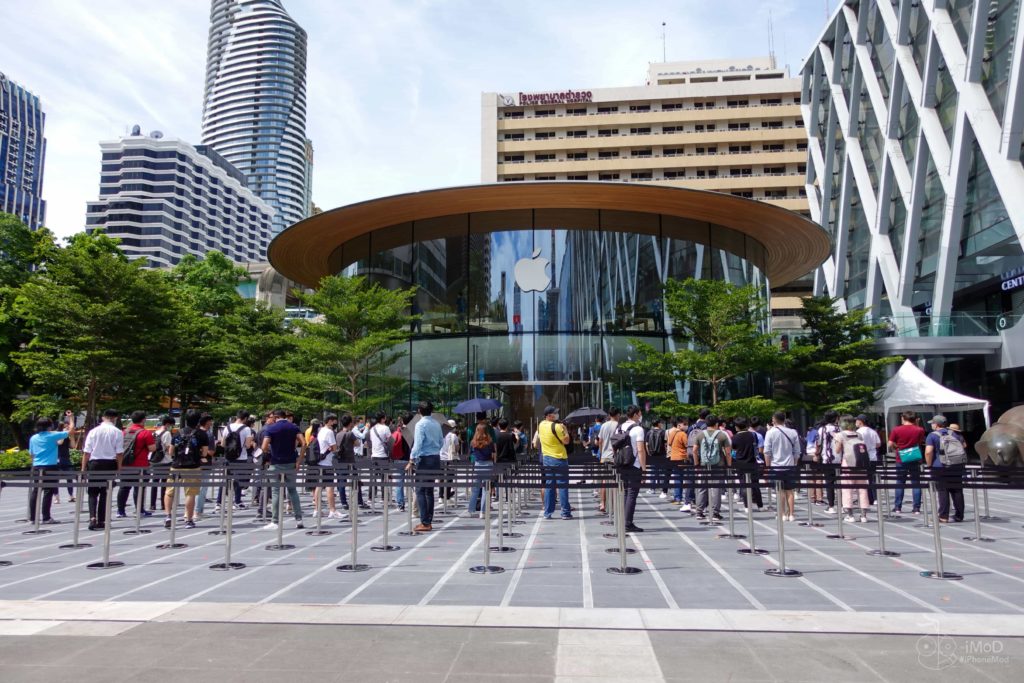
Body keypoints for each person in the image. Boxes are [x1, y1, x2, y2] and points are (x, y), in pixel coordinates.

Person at [261, 409, 305, 530]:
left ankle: (275, 521)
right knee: (293, 491)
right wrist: (299, 460)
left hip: (276, 463)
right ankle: (299, 519)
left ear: (275, 417)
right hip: (291, 462)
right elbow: (304, 442)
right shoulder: (293, 427)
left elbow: (264, 446)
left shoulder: (271, 428)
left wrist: (270, 454)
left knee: (276, 492)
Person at [82, 408, 126, 530]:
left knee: (92, 492)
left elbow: (86, 452)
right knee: (105, 492)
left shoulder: (94, 431)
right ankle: (102, 519)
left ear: (103, 418)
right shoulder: (117, 432)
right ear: (115, 418)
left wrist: (83, 468)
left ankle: (92, 517)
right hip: (110, 463)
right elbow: (119, 453)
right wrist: (119, 468)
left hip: (94, 463)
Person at [164, 411, 208, 529]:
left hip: (176, 465)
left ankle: (168, 516)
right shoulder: (202, 434)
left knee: (169, 491)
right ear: (198, 421)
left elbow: (171, 451)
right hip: (193, 466)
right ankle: (188, 520)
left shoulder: (177, 433)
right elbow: (204, 452)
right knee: (190, 493)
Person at [28, 414, 73, 524]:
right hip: (50, 466)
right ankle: (46, 517)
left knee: (36, 491)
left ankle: (33, 517)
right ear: (49, 426)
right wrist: (71, 418)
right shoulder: (52, 436)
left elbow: (31, 454)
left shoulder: (33, 438)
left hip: (37, 466)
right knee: (48, 491)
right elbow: (71, 431)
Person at [408, 402, 444, 532]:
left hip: (424, 459)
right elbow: (441, 441)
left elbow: (417, 444)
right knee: (429, 490)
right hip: (435, 458)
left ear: (419, 411)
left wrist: (411, 459)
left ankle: (425, 522)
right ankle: (428, 520)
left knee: (420, 490)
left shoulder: (420, 424)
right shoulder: (436, 424)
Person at [925, 415, 966, 523]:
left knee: (943, 491)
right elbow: (964, 446)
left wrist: (929, 465)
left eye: (932, 423)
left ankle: (943, 516)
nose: (932, 425)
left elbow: (928, 452)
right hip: (957, 465)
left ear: (937, 424)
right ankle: (959, 515)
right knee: (957, 490)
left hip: (940, 466)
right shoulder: (955, 434)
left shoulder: (932, 435)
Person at [115, 411, 155, 518]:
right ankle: (139, 510)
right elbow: (152, 448)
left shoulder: (124, 432)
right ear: (143, 420)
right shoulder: (145, 433)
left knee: (124, 487)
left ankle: (120, 510)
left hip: (125, 464)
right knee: (140, 487)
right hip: (141, 464)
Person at [691, 415, 731, 521]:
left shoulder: (700, 435)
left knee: (702, 487)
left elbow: (694, 450)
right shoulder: (722, 435)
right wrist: (729, 465)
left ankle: (699, 512)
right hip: (718, 465)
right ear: (716, 424)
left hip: (704, 465)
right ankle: (715, 513)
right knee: (716, 488)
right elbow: (727, 452)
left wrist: (696, 464)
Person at [535, 405, 572, 520]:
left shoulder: (540, 425)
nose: (556, 414)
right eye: (555, 413)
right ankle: (565, 512)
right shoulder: (557, 427)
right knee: (562, 485)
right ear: (549, 415)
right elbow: (566, 441)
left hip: (547, 458)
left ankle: (547, 512)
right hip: (559, 458)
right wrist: (565, 430)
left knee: (549, 485)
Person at [833, 414, 871, 523]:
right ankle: (864, 515)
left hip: (848, 464)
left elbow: (837, 450)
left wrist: (836, 440)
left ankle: (850, 515)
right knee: (862, 489)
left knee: (847, 489)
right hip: (860, 464)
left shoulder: (840, 435)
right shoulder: (858, 434)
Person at [764, 411, 801, 521]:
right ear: (784, 419)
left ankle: (782, 514)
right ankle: (791, 514)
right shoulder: (793, 432)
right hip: (790, 464)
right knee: (790, 491)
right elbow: (797, 451)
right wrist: (794, 463)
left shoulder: (770, 433)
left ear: (774, 420)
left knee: (779, 491)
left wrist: (767, 466)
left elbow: (767, 452)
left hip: (776, 466)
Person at [887, 410, 925, 515]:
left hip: (901, 457)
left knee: (900, 482)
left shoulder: (897, 429)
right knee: (916, 483)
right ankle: (916, 508)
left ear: (903, 418)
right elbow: (920, 442)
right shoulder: (919, 429)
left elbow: (890, 444)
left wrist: (897, 447)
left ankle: (898, 507)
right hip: (914, 456)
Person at [217, 410, 254, 511]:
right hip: (241, 457)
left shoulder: (227, 427)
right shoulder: (247, 429)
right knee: (239, 480)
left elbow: (223, 444)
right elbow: (247, 445)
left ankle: (219, 502)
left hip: (228, 457)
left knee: (225, 479)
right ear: (245, 418)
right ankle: (237, 501)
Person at [619, 405, 647, 532]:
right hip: (634, 464)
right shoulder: (638, 429)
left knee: (625, 492)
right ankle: (628, 523)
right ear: (635, 414)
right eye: (640, 413)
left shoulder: (620, 427)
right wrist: (644, 468)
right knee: (632, 494)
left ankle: (624, 521)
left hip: (622, 463)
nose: (641, 415)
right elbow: (641, 449)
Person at [313, 414, 342, 520]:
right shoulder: (329, 432)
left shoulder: (321, 431)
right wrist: (334, 449)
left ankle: (317, 509)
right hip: (327, 463)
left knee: (319, 486)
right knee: (330, 486)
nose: (335, 423)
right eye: (334, 421)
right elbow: (334, 448)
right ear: (330, 421)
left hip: (320, 462)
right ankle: (332, 510)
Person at [730, 417, 763, 510]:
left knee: (743, 484)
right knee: (755, 484)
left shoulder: (735, 437)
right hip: (752, 462)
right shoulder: (753, 435)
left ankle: (747, 506)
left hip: (740, 463)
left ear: (737, 427)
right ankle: (759, 505)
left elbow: (733, 449)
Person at [334, 415, 366, 510]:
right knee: (356, 481)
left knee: (341, 481)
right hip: (350, 460)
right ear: (350, 423)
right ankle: (359, 501)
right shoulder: (350, 434)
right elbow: (358, 443)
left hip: (340, 460)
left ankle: (344, 502)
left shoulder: (338, 434)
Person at [466, 424, 495, 518]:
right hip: (488, 465)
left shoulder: (473, 442)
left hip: (478, 465)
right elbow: (493, 454)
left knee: (475, 489)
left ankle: (471, 510)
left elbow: (470, 453)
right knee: (486, 490)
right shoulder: (490, 442)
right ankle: (483, 512)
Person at [596, 408, 620, 514]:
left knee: (604, 481)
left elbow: (600, 441)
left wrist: (601, 453)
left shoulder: (604, 425)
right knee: (615, 482)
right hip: (614, 457)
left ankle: (603, 504)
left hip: (604, 456)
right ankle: (615, 505)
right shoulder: (618, 426)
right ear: (618, 414)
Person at [150, 416, 176, 511]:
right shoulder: (167, 433)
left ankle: (152, 504)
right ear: (168, 424)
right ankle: (163, 504)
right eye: (171, 425)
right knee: (164, 483)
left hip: (155, 460)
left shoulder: (154, 433)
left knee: (155, 483)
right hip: (165, 461)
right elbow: (169, 447)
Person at [856, 414, 882, 506]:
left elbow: (857, 445)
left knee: (862, 478)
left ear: (860, 421)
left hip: (863, 457)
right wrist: (871, 446)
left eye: (857, 420)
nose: (856, 422)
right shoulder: (872, 431)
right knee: (872, 478)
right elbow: (878, 444)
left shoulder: (859, 432)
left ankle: (865, 498)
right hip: (873, 456)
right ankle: (874, 498)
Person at [817, 411, 840, 514]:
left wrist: (816, 454)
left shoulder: (822, 429)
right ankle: (844, 505)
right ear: (835, 418)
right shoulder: (840, 429)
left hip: (827, 459)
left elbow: (818, 444)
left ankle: (831, 506)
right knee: (841, 483)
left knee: (829, 483)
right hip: (840, 459)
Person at [667, 416, 691, 509]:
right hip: (682, 457)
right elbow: (687, 445)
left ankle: (677, 497)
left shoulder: (671, 433)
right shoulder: (682, 434)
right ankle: (687, 498)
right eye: (684, 424)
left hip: (673, 457)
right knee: (685, 478)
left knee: (677, 478)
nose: (686, 426)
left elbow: (669, 443)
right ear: (679, 425)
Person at [645, 417, 668, 497]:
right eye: (661, 423)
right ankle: (662, 488)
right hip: (661, 454)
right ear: (658, 424)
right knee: (662, 472)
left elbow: (646, 444)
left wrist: (649, 453)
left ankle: (652, 488)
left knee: (653, 472)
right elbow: (665, 444)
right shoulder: (663, 432)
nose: (661, 424)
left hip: (652, 455)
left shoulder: (648, 432)